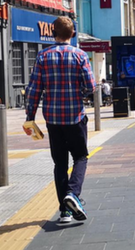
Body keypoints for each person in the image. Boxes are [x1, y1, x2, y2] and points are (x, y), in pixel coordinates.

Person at [25, 16, 95, 224]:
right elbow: (90, 87)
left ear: (53, 33)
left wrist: (30, 117)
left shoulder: (43, 57)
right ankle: (73, 194)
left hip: (53, 120)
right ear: (72, 34)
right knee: (81, 157)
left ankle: (64, 212)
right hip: (75, 117)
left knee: (60, 164)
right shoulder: (80, 56)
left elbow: (34, 90)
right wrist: (80, 90)